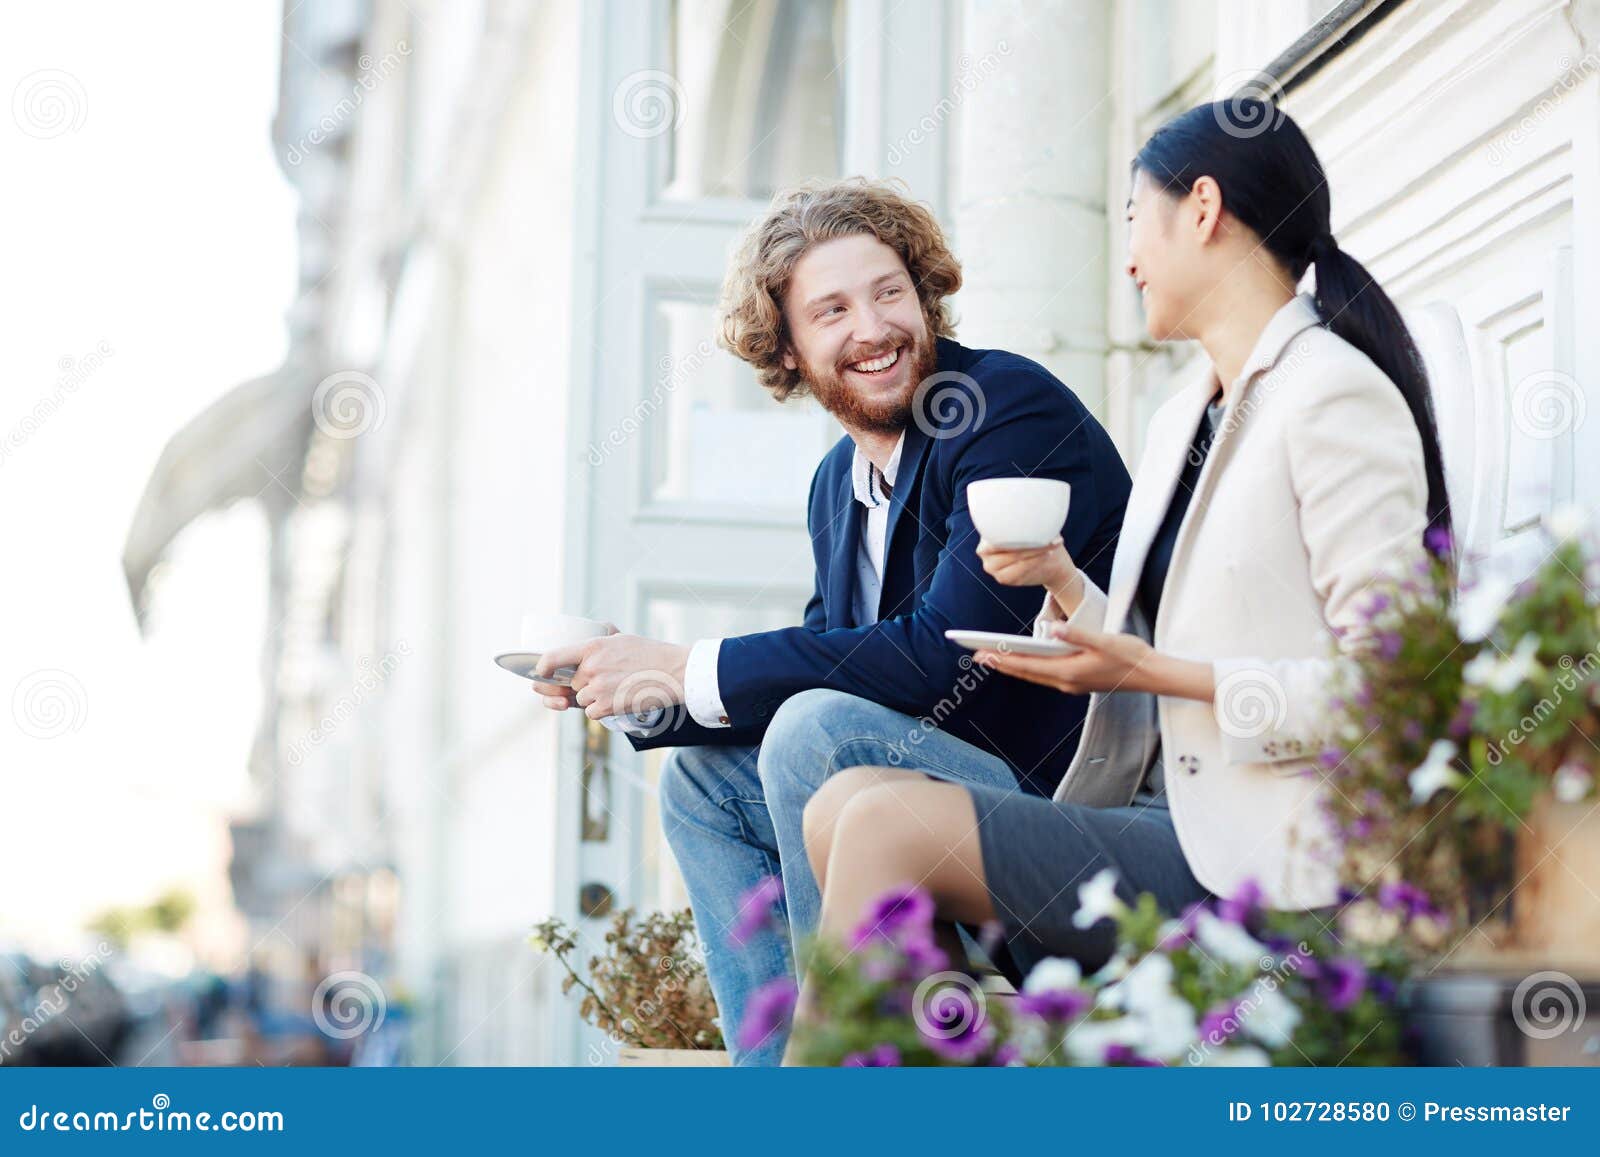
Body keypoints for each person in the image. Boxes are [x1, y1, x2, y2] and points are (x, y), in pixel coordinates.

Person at [790, 99, 1452, 1060]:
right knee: (838, 806)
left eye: (1135, 221)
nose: (1129, 256)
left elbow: (1398, 695)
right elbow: (1160, 642)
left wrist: (1153, 674)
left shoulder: (1331, 394)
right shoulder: (1188, 412)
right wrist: (1065, 585)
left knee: (887, 822)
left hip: (1264, 856)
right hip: (1150, 812)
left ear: (1204, 210)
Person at [533, 179, 1131, 1064]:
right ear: (787, 347)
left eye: (890, 292)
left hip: (1064, 822)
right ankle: (773, 1080)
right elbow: (837, 663)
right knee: (702, 778)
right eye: (833, 310)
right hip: (937, 796)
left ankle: (847, 1069)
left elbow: (939, 659)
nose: (873, 328)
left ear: (924, 296)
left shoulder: (1003, 406)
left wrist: (691, 660)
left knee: (818, 730)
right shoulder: (835, 489)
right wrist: (632, 679)